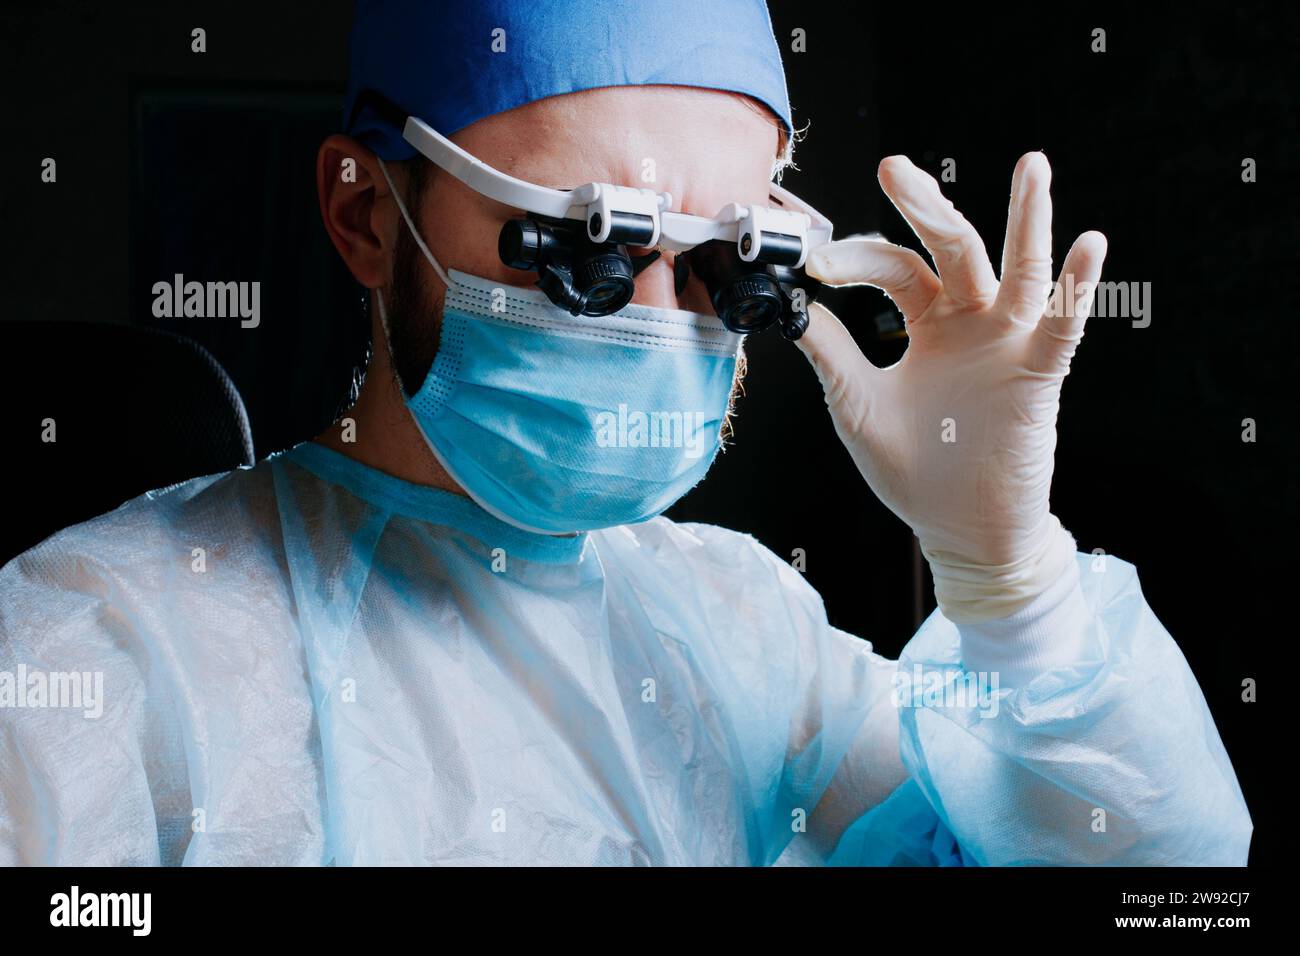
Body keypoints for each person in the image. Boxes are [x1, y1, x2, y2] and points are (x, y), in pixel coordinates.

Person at [0, 0, 1251, 866]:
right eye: (584, 252)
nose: (657, 324)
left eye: (729, 270)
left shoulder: (746, 626)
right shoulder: (105, 649)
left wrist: (1009, 581)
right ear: (367, 212)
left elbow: (1161, 878)